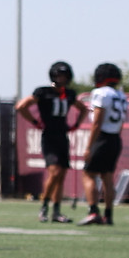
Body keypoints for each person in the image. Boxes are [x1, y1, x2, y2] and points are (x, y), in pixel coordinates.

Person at [16, 62, 83, 223]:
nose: (62, 79)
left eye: (65, 76)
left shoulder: (70, 94)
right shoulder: (44, 92)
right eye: (60, 75)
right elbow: (21, 106)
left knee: (61, 176)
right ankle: (44, 208)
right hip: (49, 137)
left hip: (62, 137)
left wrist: (76, 125)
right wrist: (34, 121)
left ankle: (56, 211)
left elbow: (84, 109)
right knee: (54, 173)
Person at [81, 63, 128, 226]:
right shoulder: (121, 95)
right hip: (115, 138)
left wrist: (89, 146)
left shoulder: (100, 93)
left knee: (88, 174)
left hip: (102, 137)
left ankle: (93, 211)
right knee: (107, 177)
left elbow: (97, 122)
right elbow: (121, 122)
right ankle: (108, 215)